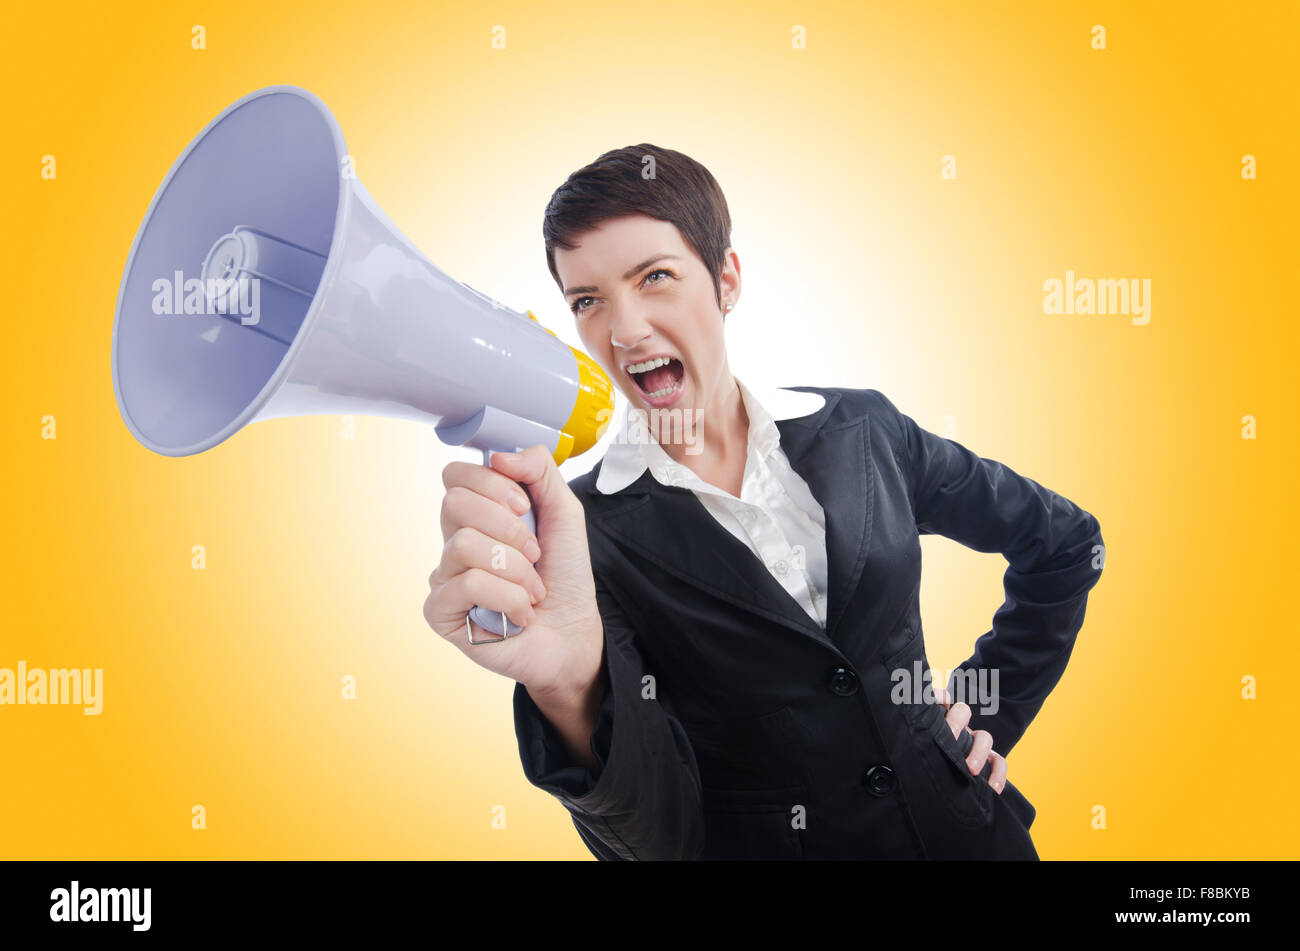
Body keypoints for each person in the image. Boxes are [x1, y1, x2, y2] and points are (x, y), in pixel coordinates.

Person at [423, 144, 1105, 860]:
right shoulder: (580, 538)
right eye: (588, 300)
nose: (623, 331)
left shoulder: (865, 430)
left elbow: (1064, 545)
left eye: (655, 277)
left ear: (725, 281)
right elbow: (661, 836)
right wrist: (566, 689)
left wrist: (982, 716)